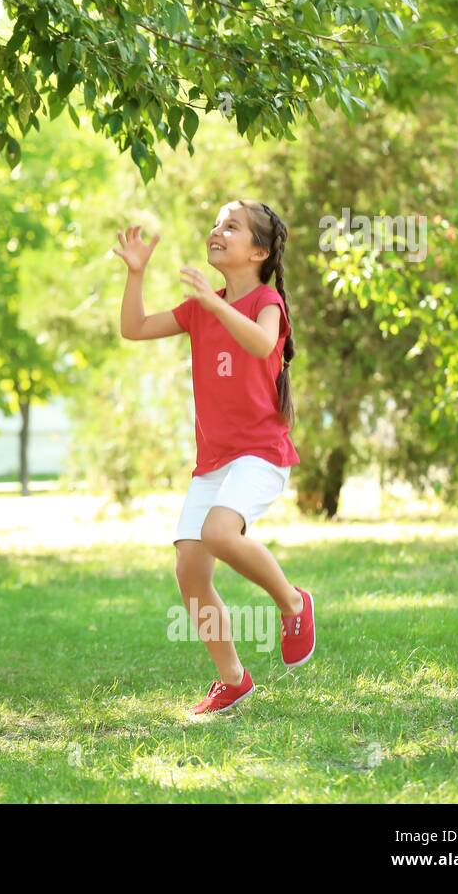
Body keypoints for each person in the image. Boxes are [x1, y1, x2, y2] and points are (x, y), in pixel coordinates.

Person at [115, 200, 315, 715]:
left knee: (220, 534)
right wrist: (135, 274)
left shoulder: (267, 301)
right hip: (215, 460)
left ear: (260, 251)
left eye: (232, 226)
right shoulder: (203, 307)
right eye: (216, 224)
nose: (217, 232)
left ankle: (293, 603)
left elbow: (259, 343)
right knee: (190, 570)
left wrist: (215, 303)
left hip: (261, 454)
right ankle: (233, 679)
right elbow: (134, 328)